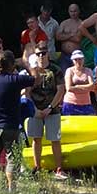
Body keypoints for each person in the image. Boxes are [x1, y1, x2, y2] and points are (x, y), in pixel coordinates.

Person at [0, 51, 34, 192]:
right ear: (11, 65)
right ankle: (11, 189)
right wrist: (26, 63)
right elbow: (35, 78)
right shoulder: (14, 79)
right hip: (10, 126)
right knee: (12, 158)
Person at [25, 46, 67, 179]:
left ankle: (59, 168)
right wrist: (35, 109)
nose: (41, 56)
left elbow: (60, 90)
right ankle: (37, 167)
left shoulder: (56, 70)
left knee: (55, 139)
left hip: (52, 109)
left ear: (48, 54)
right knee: (36, 139)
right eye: (38, 54)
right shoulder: (32, 72)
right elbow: (27, 92)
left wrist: (50, 107)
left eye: (43, 53)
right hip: (35, 109)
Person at [62, 50, 97, 115]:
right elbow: (69, 88)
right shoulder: (69, 71)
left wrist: (77, 87)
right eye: (76, 59)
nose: (78, 61)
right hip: (71, 103)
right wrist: (87, 87)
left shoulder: (88, 71)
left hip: (86, 103)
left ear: (83, 59)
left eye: (80, 59)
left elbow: (92, 86)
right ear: (73, 61)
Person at [56, 3, 86, 68]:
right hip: (64, 54)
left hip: (77, 55)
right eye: (71, 11)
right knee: (64, 74)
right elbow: (58, 37)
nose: (73, 13)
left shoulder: (81, 23)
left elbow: (77, 39)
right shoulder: (64, 23)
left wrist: (64, 36)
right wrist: (71, 35)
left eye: (75, 11)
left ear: (78, 11)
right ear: (68, 12)